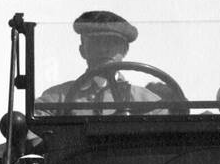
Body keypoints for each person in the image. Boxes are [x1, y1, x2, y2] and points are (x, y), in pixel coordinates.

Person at [37, 11, 169, 111]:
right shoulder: (56, 99)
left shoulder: (149, 103)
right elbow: (34, 134)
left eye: (112, 42)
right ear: (82, 50)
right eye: (96, 42)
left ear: (124, 50)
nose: (104, 49)